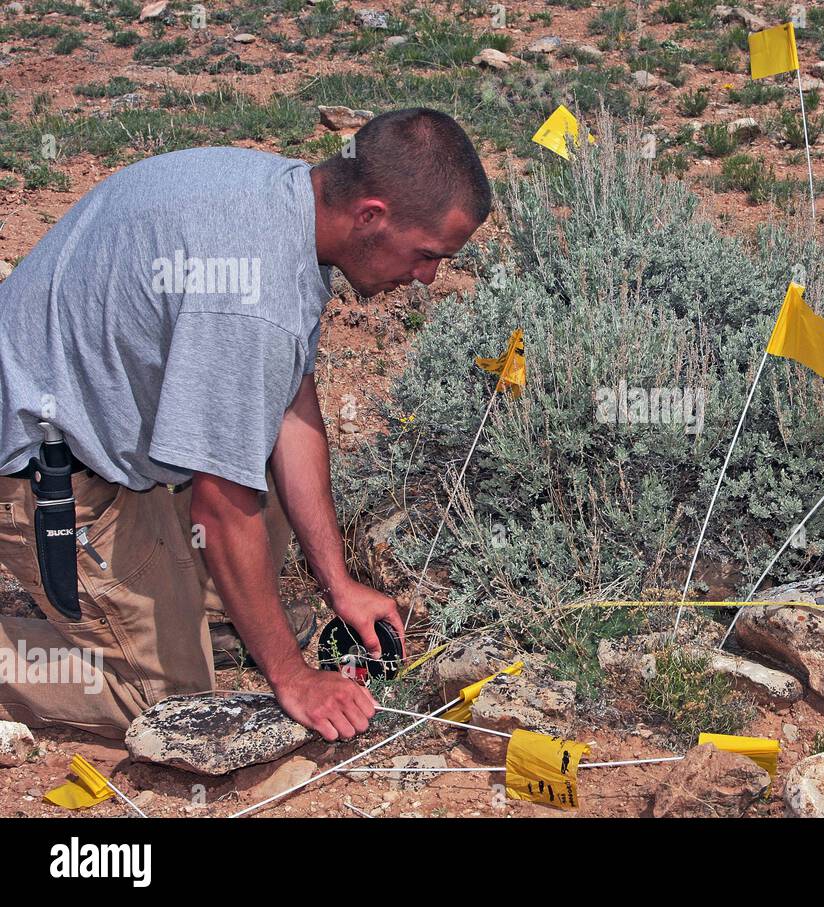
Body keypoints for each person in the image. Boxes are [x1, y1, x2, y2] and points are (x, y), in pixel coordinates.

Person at [0, 108, 490, 738]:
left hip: (89, 411)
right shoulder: (250, 304)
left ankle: (211, 609)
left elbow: (290, 404)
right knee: (166, 702)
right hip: (37, 466)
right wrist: (291, 675)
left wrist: (338, 584)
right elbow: (221, 509)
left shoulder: (290, 198)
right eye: (427, 254)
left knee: (256, 437)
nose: (428, 277)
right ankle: (187, 632)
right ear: (370, 214)